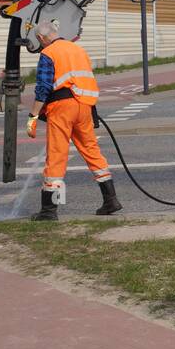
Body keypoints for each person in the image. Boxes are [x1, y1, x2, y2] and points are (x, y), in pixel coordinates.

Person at [27, 20, 122, 220]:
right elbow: (86, 80)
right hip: (85, 107)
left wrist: (33, 116)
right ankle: (110, 200)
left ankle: (49, 211)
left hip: (62, 108)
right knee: (92, 151)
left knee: (56, 154)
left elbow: (43, 87)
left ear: (41, 38)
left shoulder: (48, 53)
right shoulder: (79, 50)